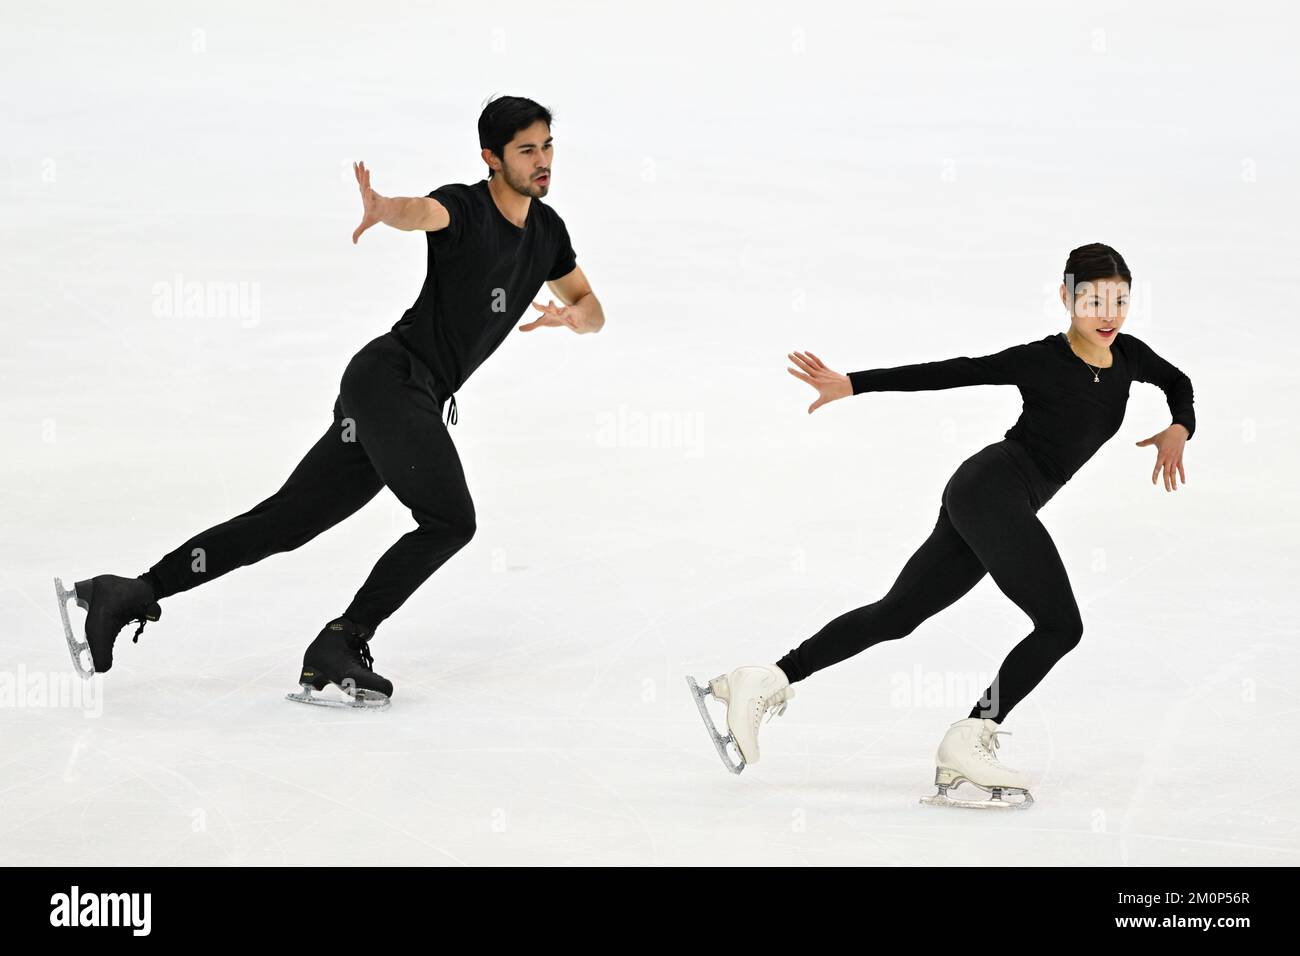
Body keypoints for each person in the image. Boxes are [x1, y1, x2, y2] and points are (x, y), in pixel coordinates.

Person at [57, 95, 604, 708]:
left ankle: (132, 590)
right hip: (392, 382)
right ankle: (343, 640)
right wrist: (382, 208)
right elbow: (420, 213)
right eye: (526, 150)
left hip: (394, 395)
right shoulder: (466, 208)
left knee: (288, 521)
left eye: (547, 146)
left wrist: (573, 319)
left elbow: (591, 306)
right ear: (491, 159)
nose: (542, 161)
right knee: (451, 521)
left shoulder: (549, 233)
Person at [690, 243, 1194, 806]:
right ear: (1066, 298)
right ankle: (972, 735)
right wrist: (853, 382)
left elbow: (1178, 382)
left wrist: (1180, 428)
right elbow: (954, 372)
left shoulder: (1129, 356)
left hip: (994, 498)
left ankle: (763, 679)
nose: (1109, 314)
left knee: (897, 614)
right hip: (993, 490)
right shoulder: (1042, 360)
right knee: (1061, 625)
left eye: (1120, 301)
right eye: (1094, 300)